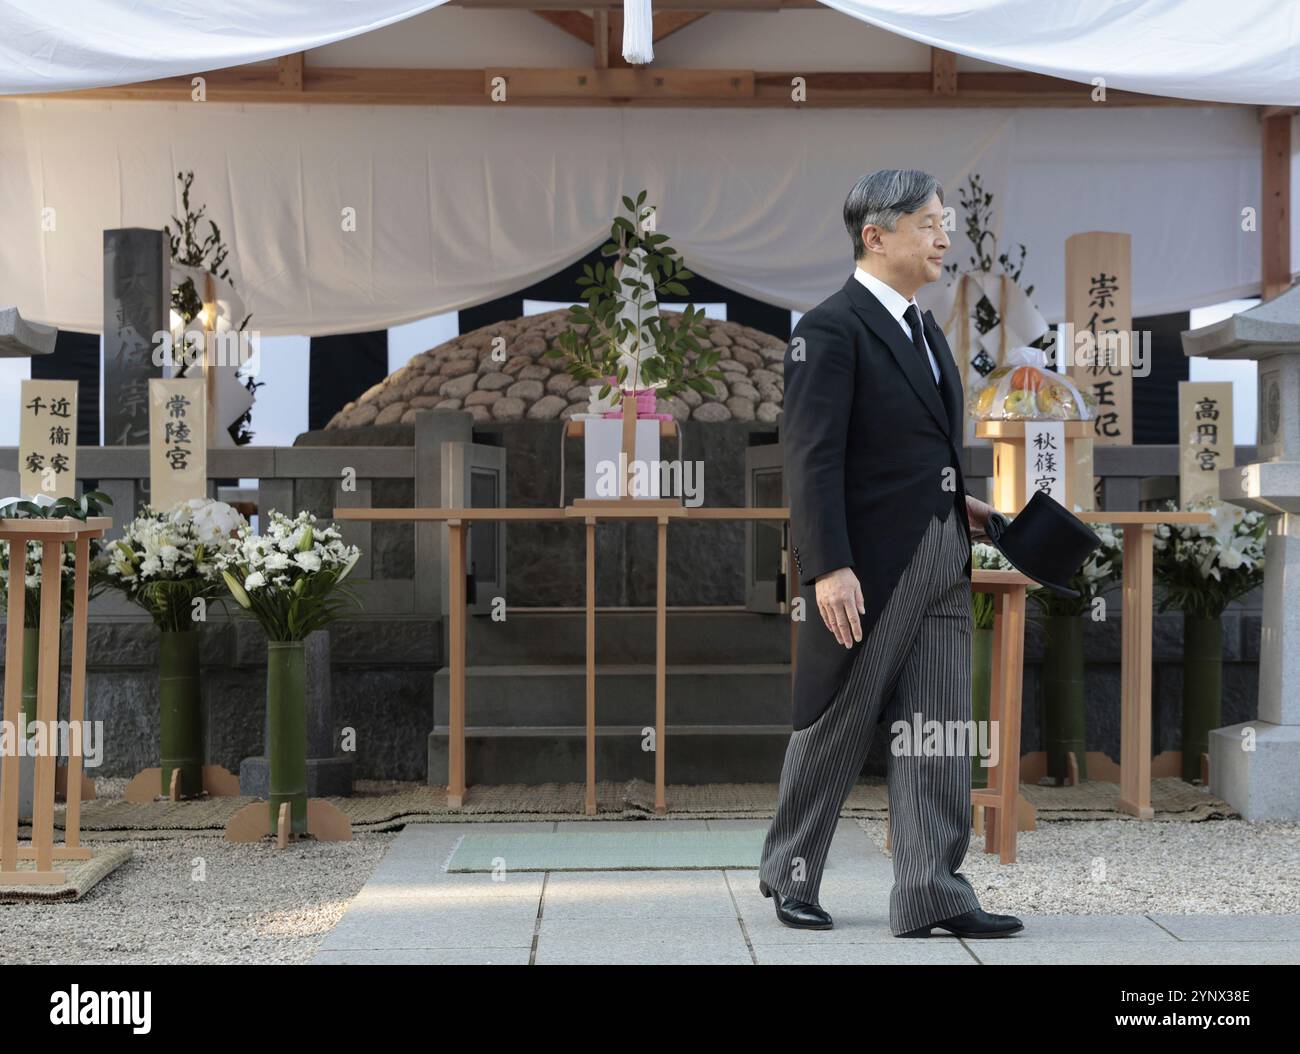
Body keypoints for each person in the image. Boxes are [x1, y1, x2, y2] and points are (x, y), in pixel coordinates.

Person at [757, 169, 1024, 939]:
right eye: (929, 223)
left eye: (946, 222)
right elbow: (811, 458)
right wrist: (827, 566)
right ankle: (791, 872)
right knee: (836, 722)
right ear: (876, 235)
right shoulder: (829, 329)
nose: (945, 237)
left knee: (938, 728)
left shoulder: (923, 327)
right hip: (865, 567)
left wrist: (958, 502)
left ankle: (932, 891)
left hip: (943, 553)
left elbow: (917, 446)